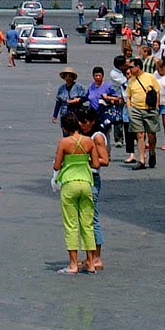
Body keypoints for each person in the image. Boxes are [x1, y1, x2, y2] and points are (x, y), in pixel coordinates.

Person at [53, 111, 99, 274]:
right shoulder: (88, 141)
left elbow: (57, 166)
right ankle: (91, 263)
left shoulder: (64, 143)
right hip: (86, 183)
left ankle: (73, 264)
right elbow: (95, 163)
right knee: (88, 224)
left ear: (65, 127)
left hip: (70, 184)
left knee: (71, 224)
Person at [77, 107, 110, 271]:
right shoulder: (88, 135)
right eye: (80, 122)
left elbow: (105, 160)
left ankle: (97, 257)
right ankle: (92, 256)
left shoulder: (97, 137)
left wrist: (85, 161)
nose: (82, 125)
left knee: (93, 218)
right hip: (86, 178)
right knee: (87, 218)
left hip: (92, 179)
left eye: (85, 122)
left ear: (93, 121)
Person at [125, 61, 161, 170]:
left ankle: (152, 152)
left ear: (138, 67)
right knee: (139, 135)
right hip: (136, 109)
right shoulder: (131, 80)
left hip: (149, 109)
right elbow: (128, 96)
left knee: (151, 134)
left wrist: (157, 106)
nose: (129, 70)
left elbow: (157, 92)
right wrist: (130, 109)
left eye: (131, 67)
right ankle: (142, 159)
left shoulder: (150, 77)